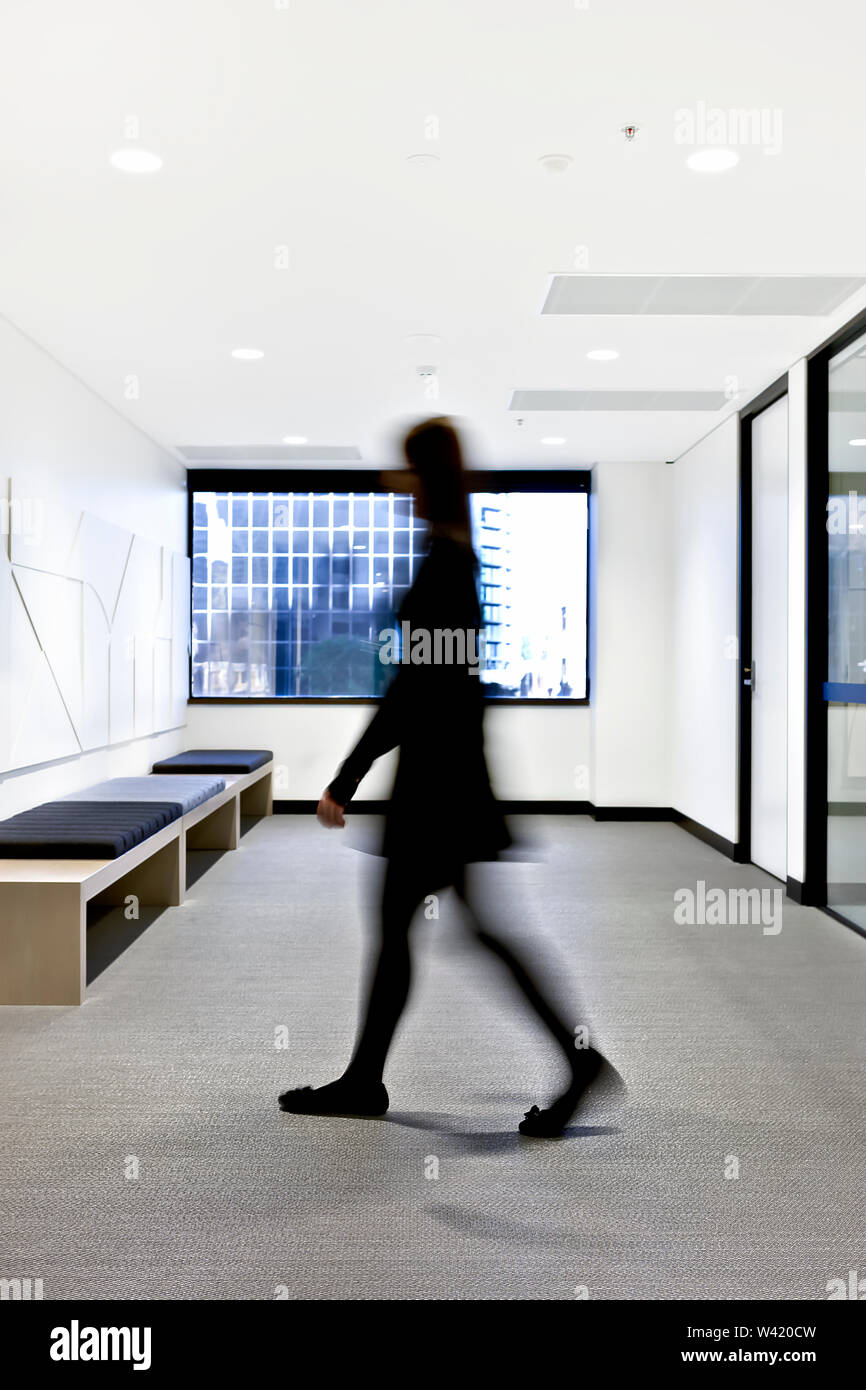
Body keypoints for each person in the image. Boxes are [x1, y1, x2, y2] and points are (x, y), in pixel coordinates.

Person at [279, 418, 617, 1137]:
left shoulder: (446, 564)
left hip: (436, 784)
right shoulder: (453, 554)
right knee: (450, 927)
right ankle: (375, 1077)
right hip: (446, 775)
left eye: (404, 471)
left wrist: (347, 775)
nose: (395, 484)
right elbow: (446, 682)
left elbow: (418, 686)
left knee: (424, 926)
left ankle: (378, 1080)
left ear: (425, 475)